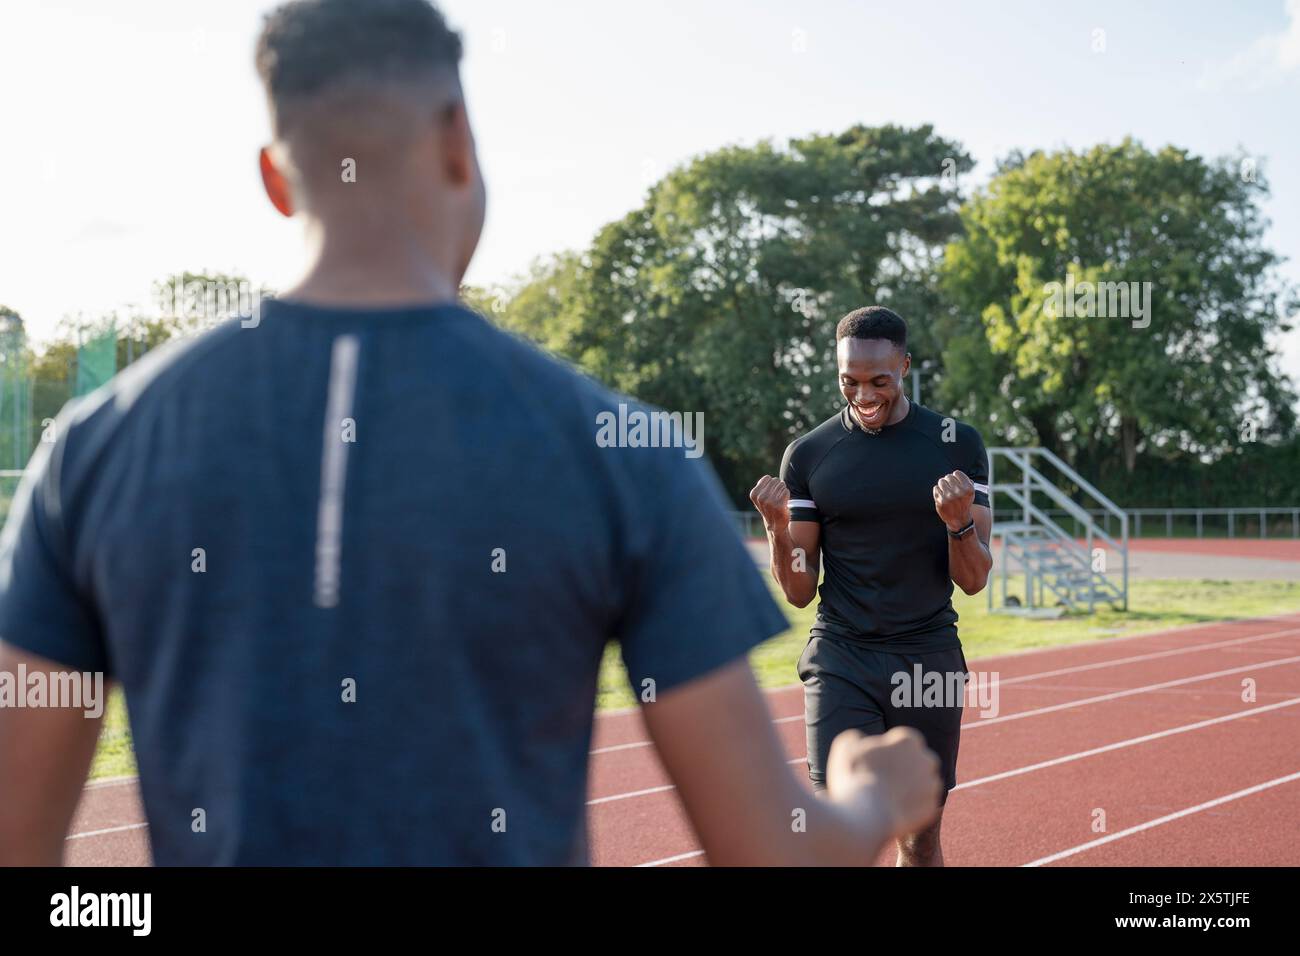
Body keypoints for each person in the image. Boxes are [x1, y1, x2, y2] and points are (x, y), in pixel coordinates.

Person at [0, 0, 941, 866]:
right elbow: (769, 850)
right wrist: (872, 797)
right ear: (458, 138)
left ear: (275, 179)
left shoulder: (90, 448)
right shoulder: (623, 449)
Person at [750, 306, 993, 866]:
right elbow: (798, 590)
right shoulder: (809, 455)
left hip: (927, 660)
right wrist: (775, 530)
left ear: (905, 366)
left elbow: (974, 580)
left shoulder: (956, 444)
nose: (863, 395)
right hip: (841, 656)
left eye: (879, 381)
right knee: (837, 832)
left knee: (920, 837)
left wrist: (957, 521)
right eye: (849, 382)